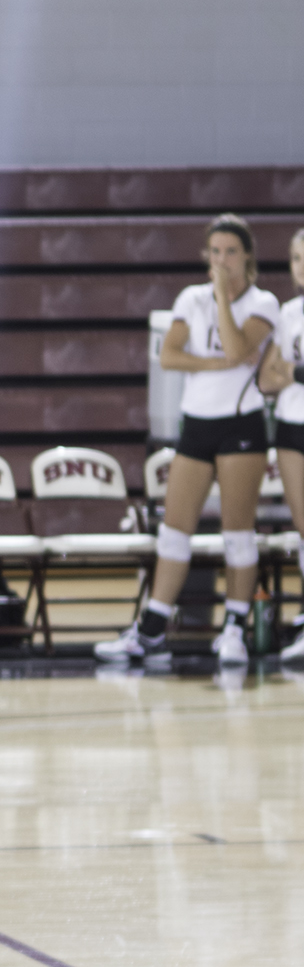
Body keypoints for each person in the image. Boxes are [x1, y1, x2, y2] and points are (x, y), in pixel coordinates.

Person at [102, 216, 277, 666]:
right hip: (196, 424)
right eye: (214, 252)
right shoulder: (189, 298)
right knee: (174, 532)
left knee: (238, 534)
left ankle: (234, 627)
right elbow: (169, 355)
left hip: (242, 425)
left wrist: (222, 298)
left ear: (247, 256)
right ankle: (153, 629)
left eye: (231, 252)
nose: (221, 260)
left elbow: (239, 348)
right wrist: (216, 364)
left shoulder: (264, 302)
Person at [259, 227, 304, 666]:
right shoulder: (289, 314)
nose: (301, 266)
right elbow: (267, 378)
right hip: (293, 428)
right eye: (296, 258)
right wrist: (295, 374)